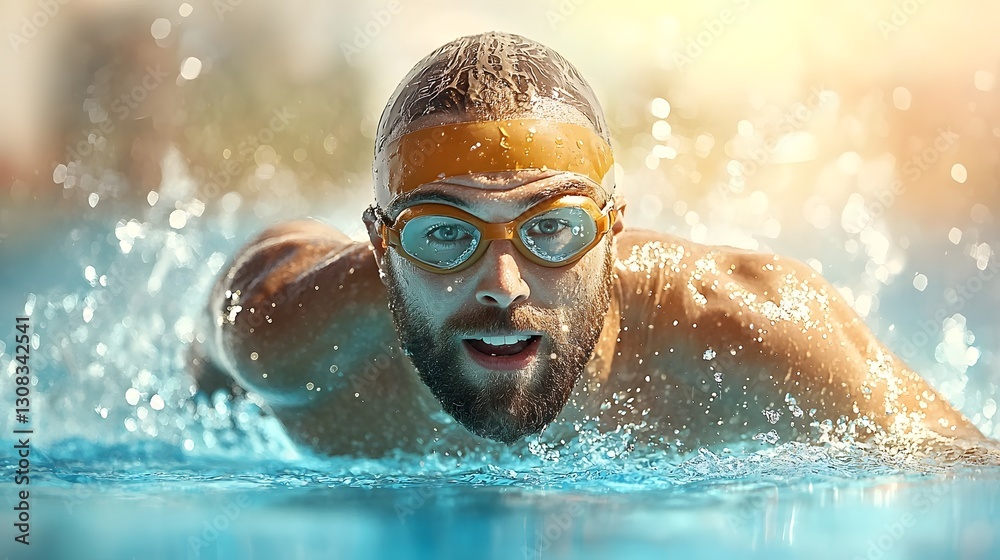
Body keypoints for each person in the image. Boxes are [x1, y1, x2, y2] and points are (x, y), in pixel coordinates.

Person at [196, 31, 985, 457]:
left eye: (551, 229)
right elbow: (206, 370)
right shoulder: (281, 330)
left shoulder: (750, 328)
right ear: (380, 248)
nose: (503, 284)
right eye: (444, 235)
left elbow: (968, 477)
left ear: (613, 228)